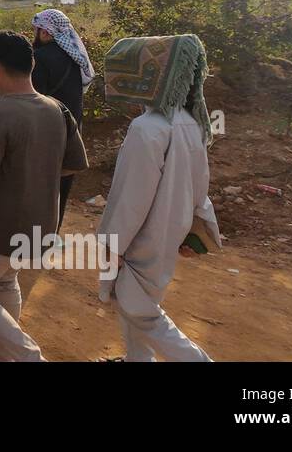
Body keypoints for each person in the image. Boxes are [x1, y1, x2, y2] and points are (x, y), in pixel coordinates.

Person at [0, 31, 87, 362]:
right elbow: (71, 166)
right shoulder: (58, 110)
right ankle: (0, 352)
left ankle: (27, 355)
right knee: (5, 282)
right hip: (40, 227)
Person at [97, 34, 219, 362]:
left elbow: (132, 196)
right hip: (170, 230)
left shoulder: (147, 127)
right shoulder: (192, 123)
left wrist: (113, 245)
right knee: (134, 302)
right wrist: (197, 228)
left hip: (142, 236)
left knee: (142, 311)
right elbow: (200, 185)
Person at [31, 8, 95, 229]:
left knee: (39, 189)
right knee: (61, 189)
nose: (35, 35)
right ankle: (50, 235)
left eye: (37, 30)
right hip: (72, 134)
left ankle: (31, 238)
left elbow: (34, 101)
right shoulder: (74, 59)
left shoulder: (40, 58)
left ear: (47, 33)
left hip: (47, 135)